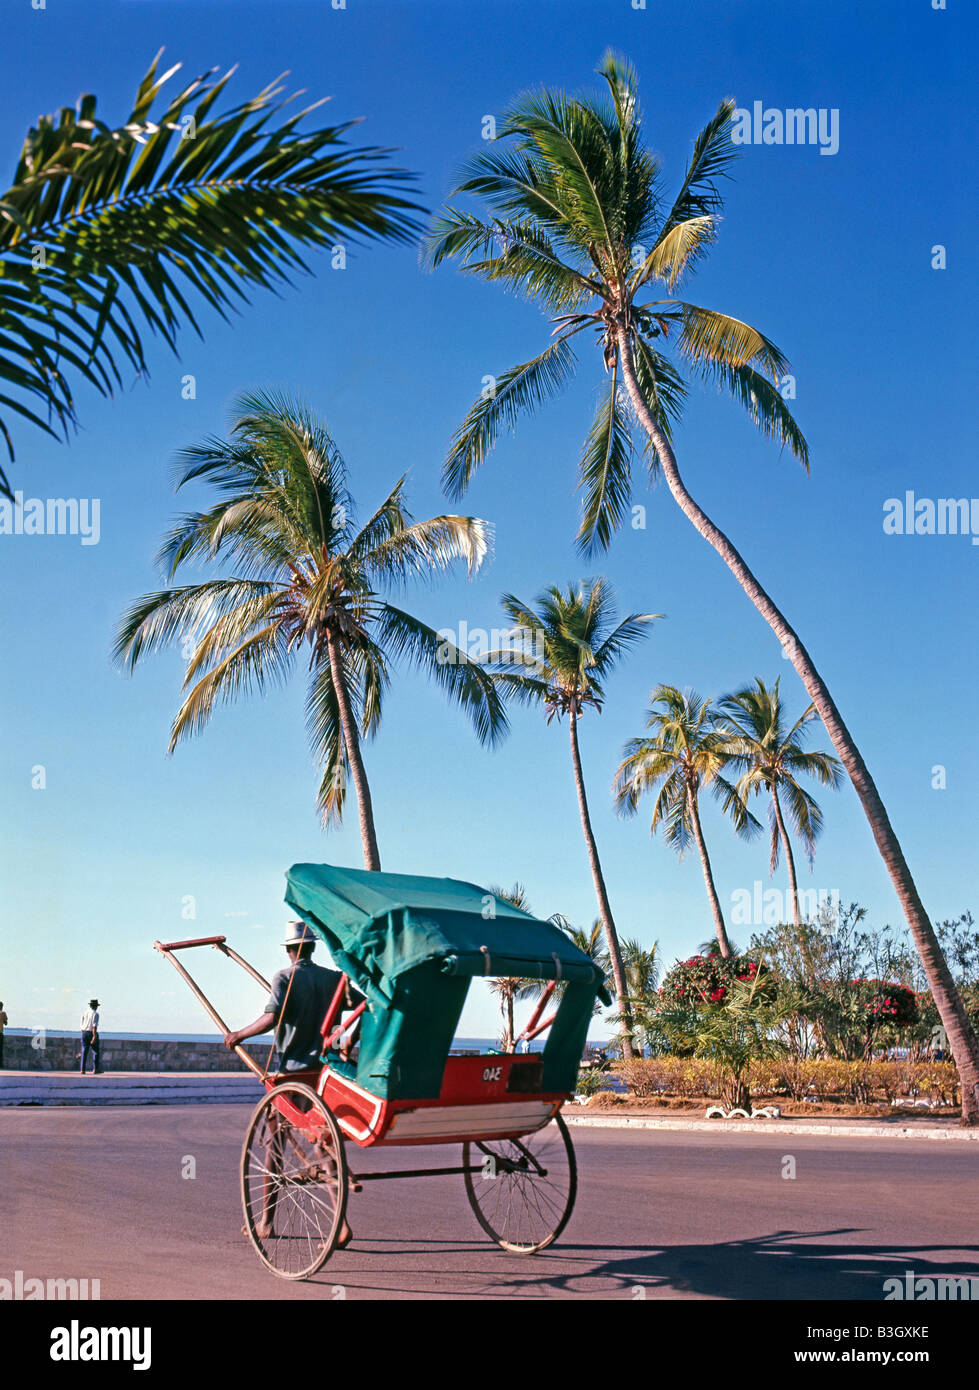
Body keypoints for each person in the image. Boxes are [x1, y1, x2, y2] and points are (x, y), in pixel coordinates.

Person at [224, 921, 364, 1247]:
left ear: (289, 950)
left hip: (293, 1075)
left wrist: (238, 1035)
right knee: (324, 1141)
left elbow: (272, 1017)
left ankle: (266, 1222)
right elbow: (362, 1007)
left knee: (274, 1144)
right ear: (312, 948)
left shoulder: (284, 977)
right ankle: (340, 1224)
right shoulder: (332, 978)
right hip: (325, 1074)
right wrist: (346, 1043)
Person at [80, 999, 102, 1075]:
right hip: (91, 1033)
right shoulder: (95, 1014)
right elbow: (94, 1026)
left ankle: (82, 1069)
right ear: (95, 1006)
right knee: (95, 1051)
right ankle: (95, 1069)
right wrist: (94, 1036)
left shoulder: (85, 1013)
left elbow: (82, 1025)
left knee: (84, 1052)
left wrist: (83, 1034)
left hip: (84, 1032)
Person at [0, 1001, 7, 1068]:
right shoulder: (3, 1013)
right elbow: (6, 1023)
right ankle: (0, 1064)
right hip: (0, 1033)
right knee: (0, 1050)